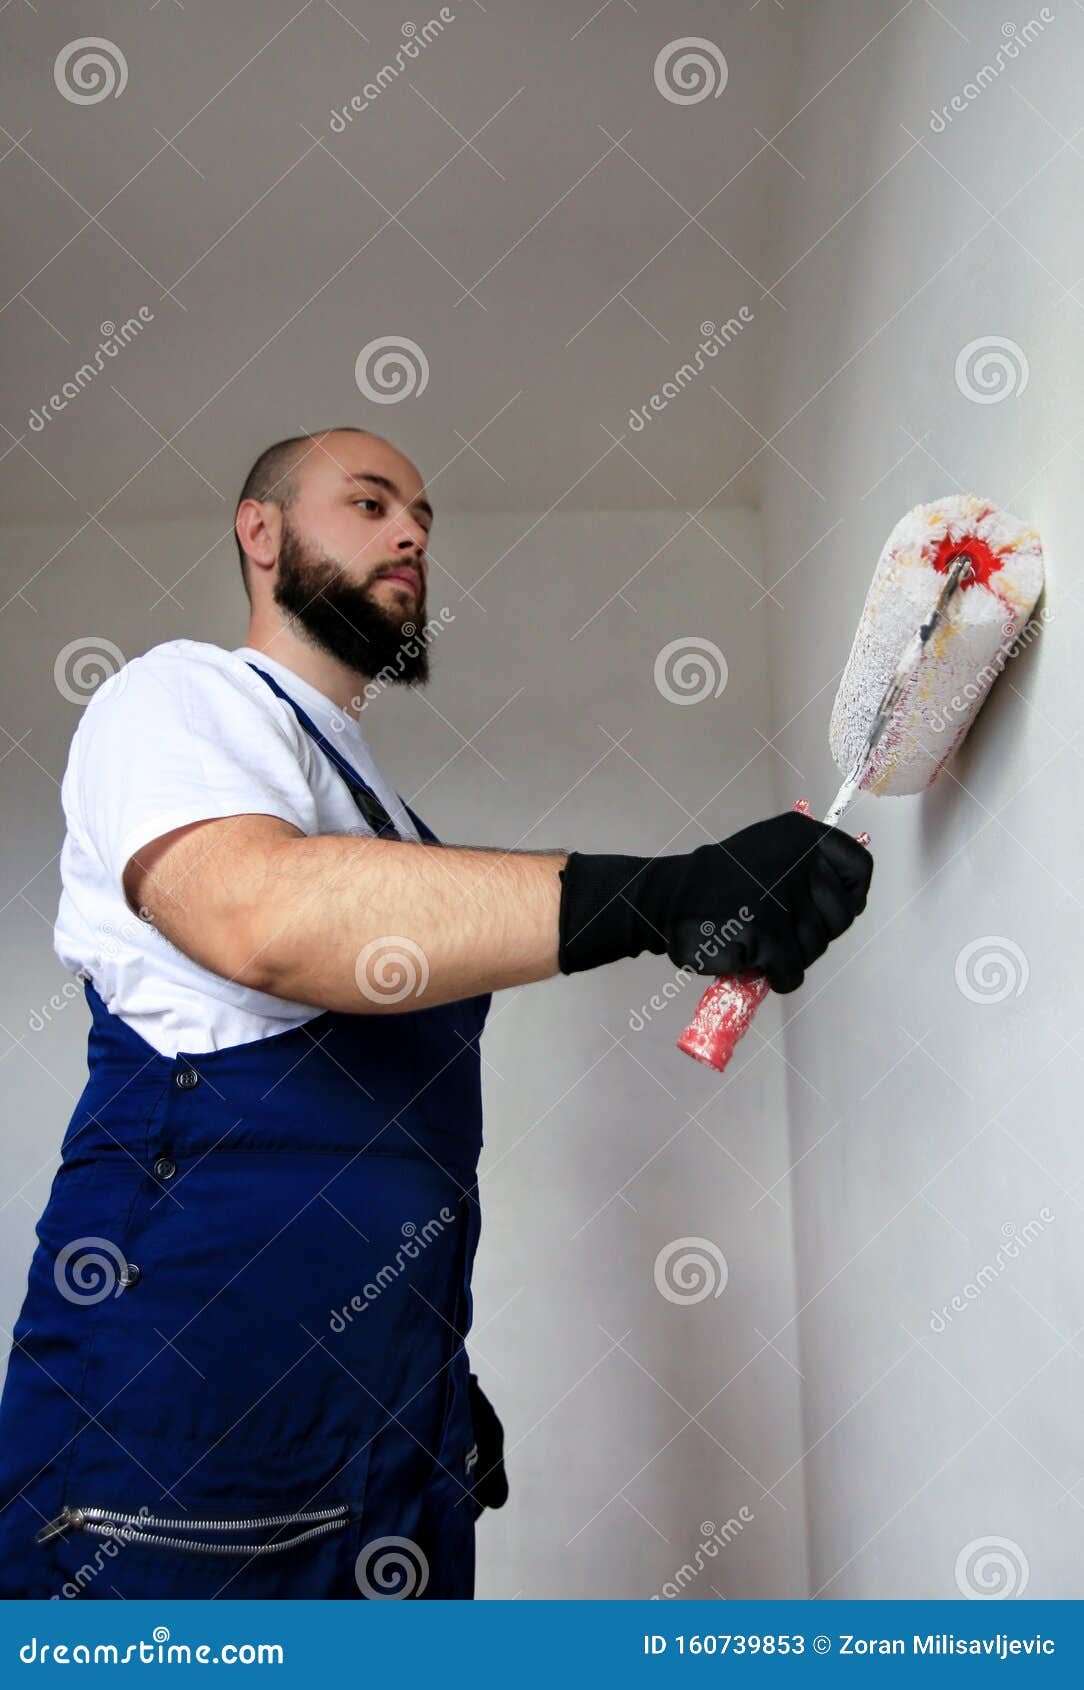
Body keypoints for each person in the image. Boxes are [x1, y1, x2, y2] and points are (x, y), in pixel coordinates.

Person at [0, 428, 872, 1599]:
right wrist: (664, 892)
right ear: (259, 533)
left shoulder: (382, 821)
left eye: (420, 515)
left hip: (380, 1447)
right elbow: (260, 914)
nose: (410, 532)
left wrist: (418, 1374)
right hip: (173, 1451)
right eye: (367, 502)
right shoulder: (173, 696)